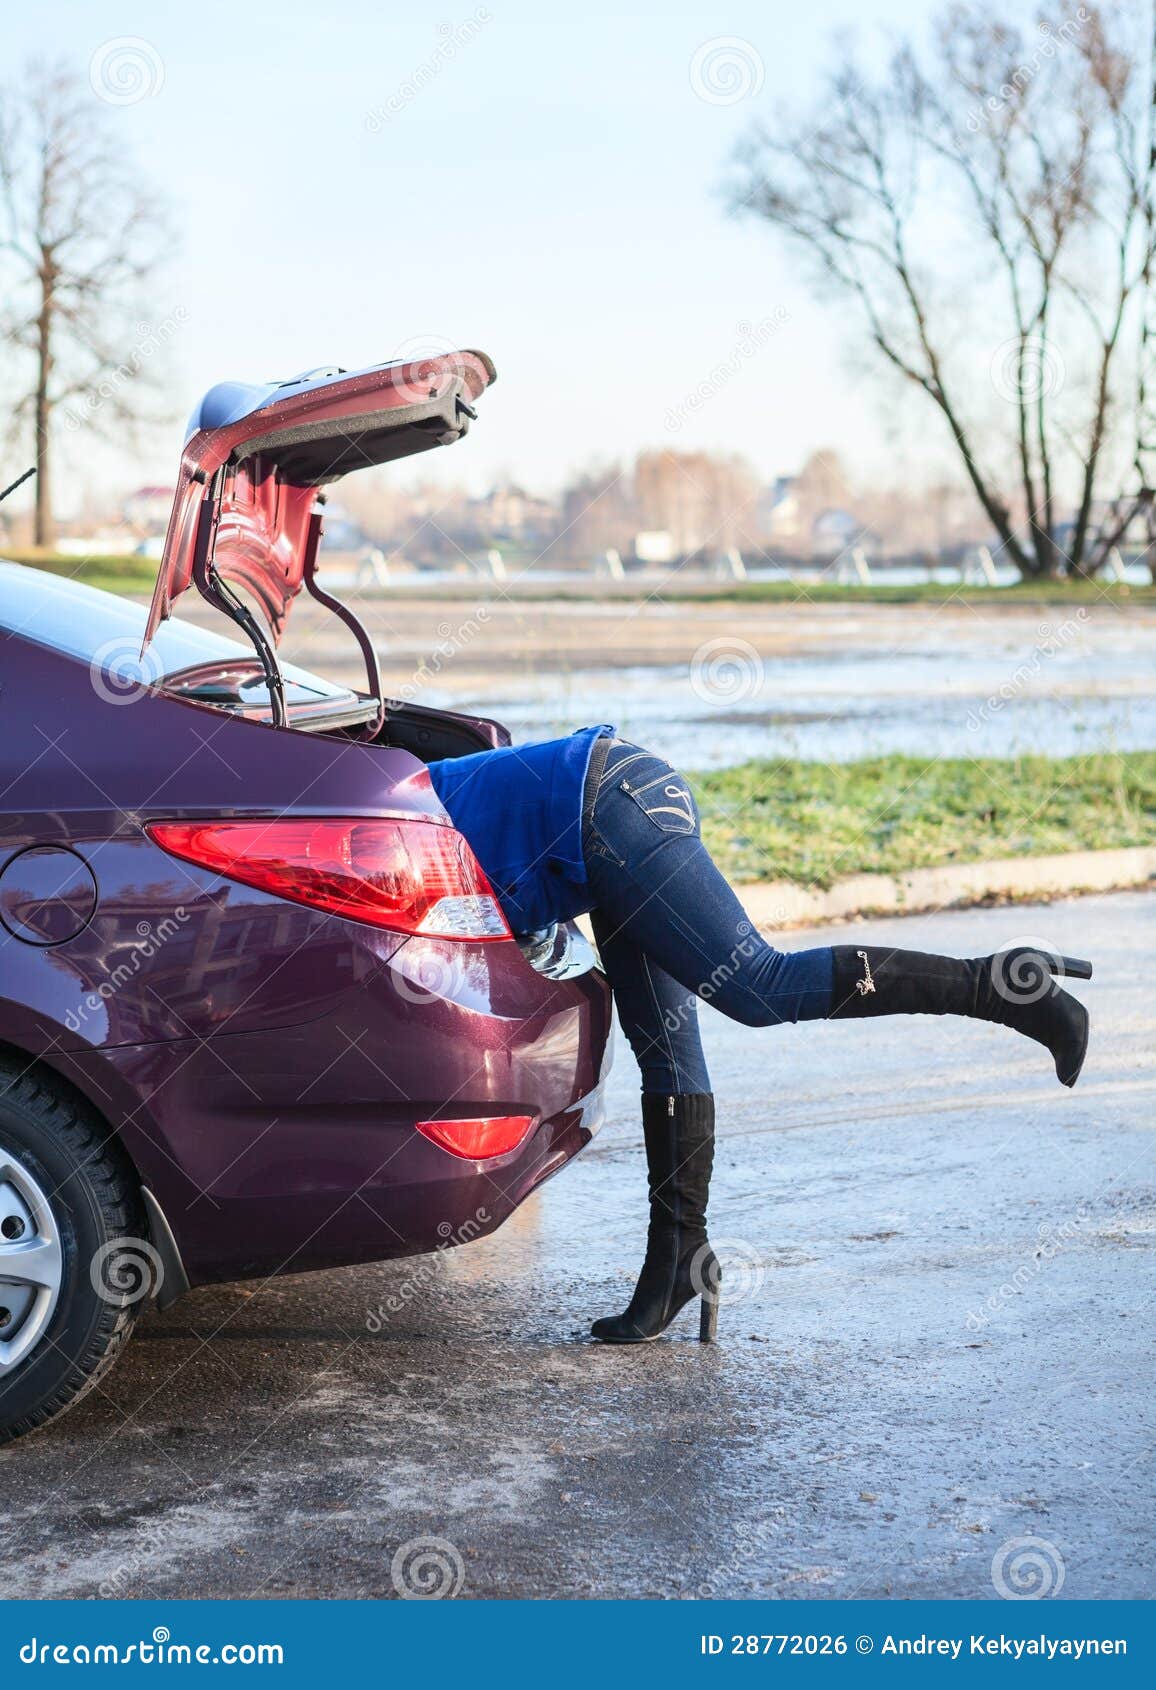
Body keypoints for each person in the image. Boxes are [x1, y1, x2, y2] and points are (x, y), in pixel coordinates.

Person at [427, 727, 1093, 1346]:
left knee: (757, 985)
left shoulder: (375, 822)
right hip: (598, 823)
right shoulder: (368, 807)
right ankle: (681, 1256)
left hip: (609, 806)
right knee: (663, 1046)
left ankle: (1001, 985)